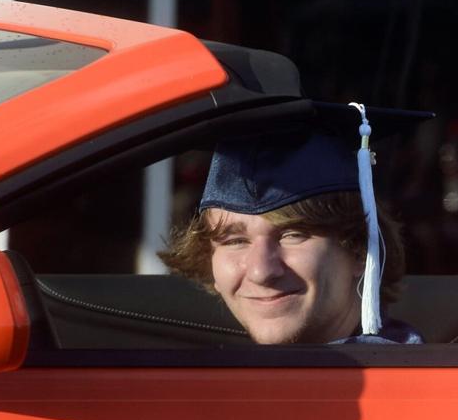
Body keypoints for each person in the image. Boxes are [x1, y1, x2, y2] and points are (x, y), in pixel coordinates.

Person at [160, 103, 431, 344]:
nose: (260, 271)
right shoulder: (214, 384)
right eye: (235, 241)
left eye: (293, 234)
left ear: (360, 249)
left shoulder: (404, 390)